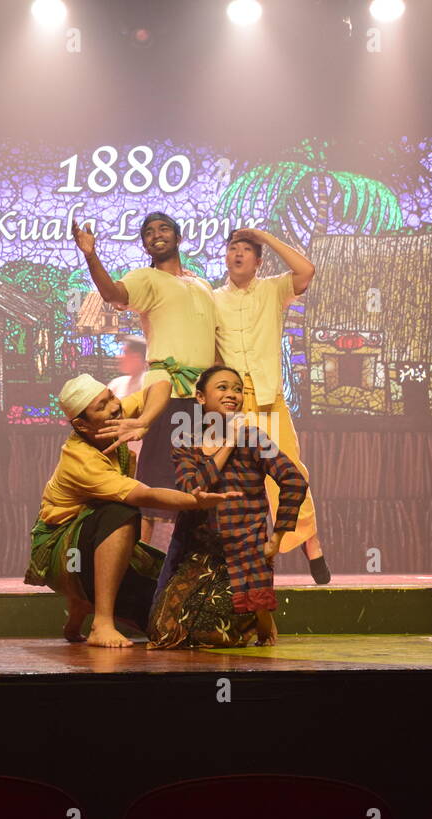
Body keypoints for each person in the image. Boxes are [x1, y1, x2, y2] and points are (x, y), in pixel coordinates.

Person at [25, 373, 239, 648]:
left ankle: (82, 604)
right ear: (81, 424)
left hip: (90, 541)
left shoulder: (114, 415)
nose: (114, 406)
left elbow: (162, 384)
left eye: (110, 397)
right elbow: (144, 495)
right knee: (120, 511)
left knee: (167, 618)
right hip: (64, 553)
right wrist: (196, 501)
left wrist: (143, 421)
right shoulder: (81, 461)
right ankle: (101, 622)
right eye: (101, 407)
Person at [72, 213, 216, 544]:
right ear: (145, 244)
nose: (156, 235)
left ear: (179, 238)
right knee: (158, 491)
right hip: (170, 392)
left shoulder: (203, 284)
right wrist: (91, 255)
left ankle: (189, 574)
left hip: (203, 399)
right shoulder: (146, 279)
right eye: (149, 232)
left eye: (164, 228)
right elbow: (112, 293)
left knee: (203, 488)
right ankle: (141, 568)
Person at [148, 366, 309, 649]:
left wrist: (277, 537)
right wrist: (228, 444)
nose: (232, 394)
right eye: (222, 388)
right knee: (164, 633)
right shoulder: (186, 442)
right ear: (200, 397)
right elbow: (194, 488)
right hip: (200, 554)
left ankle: (256, 617)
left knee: (215, 634)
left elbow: (294, 480)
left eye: (237, 389)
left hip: (244, 556)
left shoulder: (255, 438)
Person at [213, 227, 329, 583]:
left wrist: (263, 236)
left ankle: (313, 546)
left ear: (259, 260)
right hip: (232, 402)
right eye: (233, 248)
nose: (238, 254)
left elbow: (306, 270)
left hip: (267, 397)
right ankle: (237, 561)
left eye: (246, 249)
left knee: (291, 472)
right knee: (232, 481)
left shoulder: (273, 289)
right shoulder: (213, 297)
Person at [105, 334, 147, 459]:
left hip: (141, 452)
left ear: (136, 357)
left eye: (124, 353)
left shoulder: (149, 384)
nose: (119, 357)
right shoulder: (116, 384)